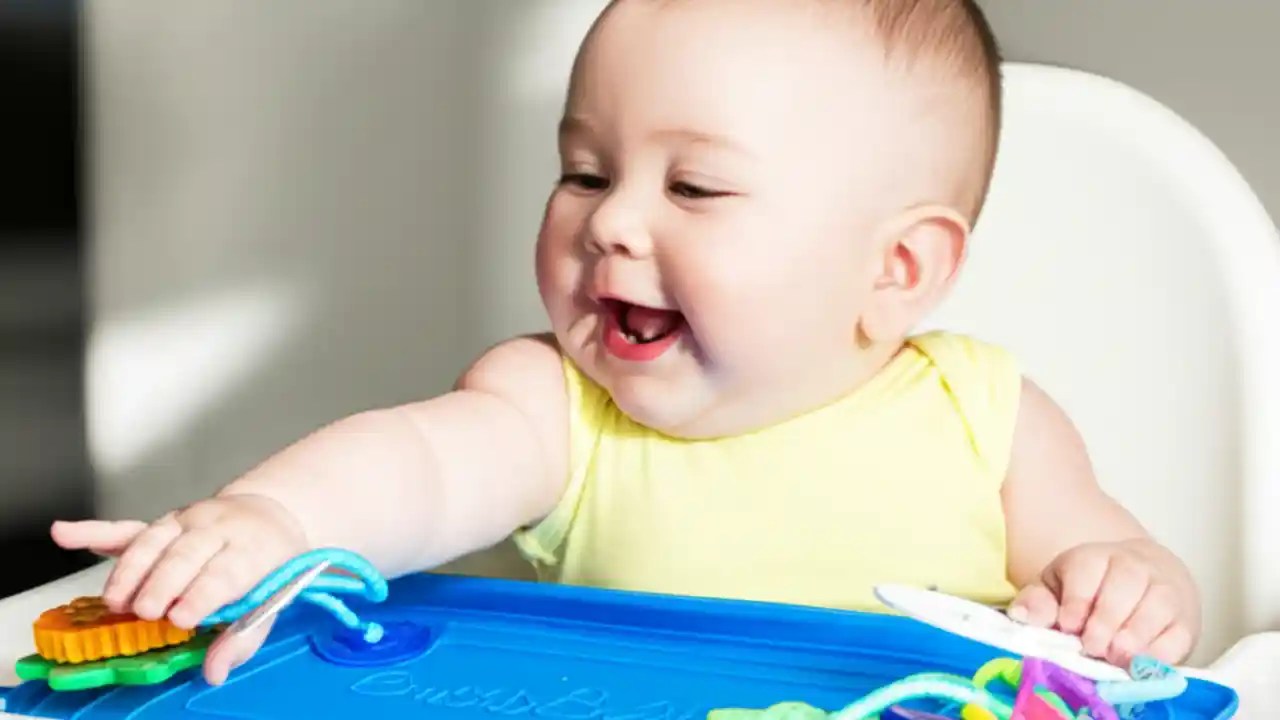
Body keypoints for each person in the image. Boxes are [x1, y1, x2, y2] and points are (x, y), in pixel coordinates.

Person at [52, 0, 1200, 685]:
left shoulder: (983, 415)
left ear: (893, 270)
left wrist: (1122, 590)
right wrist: (277, 524)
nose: (608, 220)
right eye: (584, 172)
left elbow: (1111, 572)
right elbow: (416, 466)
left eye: (693, 186)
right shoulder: (554, 406)